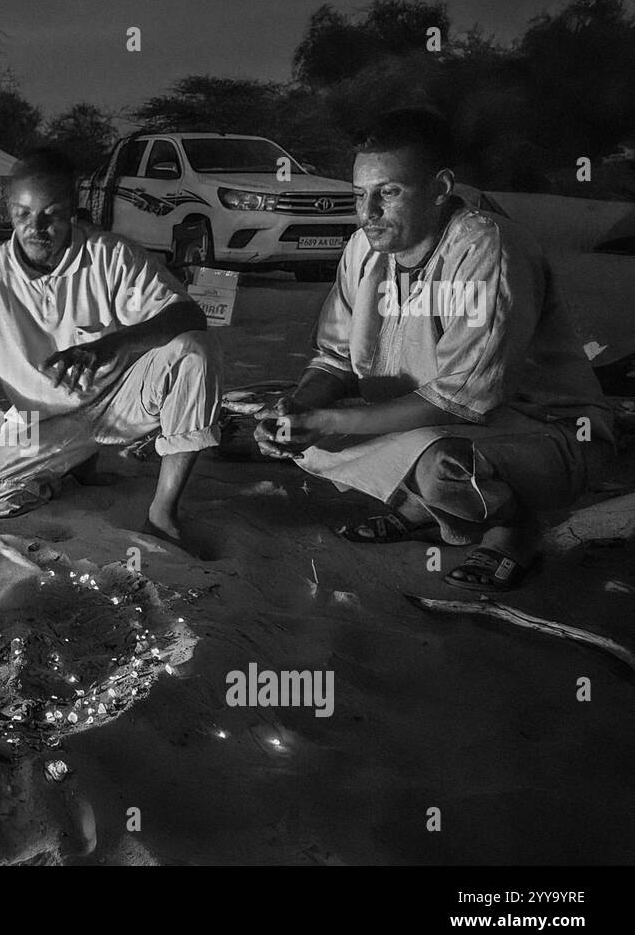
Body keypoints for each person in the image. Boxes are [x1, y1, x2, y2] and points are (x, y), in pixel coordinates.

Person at [254, 108, 614, 591]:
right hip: (427, 419)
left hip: (543, 431)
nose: (369, 213)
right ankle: (425, 508)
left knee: (441, 467)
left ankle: (515, 531)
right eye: (360, 194)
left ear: (441, 187)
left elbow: (467, 397)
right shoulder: (364, 249)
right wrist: (300, 406)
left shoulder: (488, 247)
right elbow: (335, 358)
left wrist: (330, 421)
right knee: (306, 438)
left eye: (389, 192)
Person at [0, 147, 224, 553]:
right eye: (23, 214)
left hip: (120, 400)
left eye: (51, 213)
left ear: (73, 210)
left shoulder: (110, 256)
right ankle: (69, 464)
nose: (36, 227)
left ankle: (162, 512)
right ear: (10, 211)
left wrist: (114, 344)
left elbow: (188, 315)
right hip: (40, 419)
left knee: (193, 351)